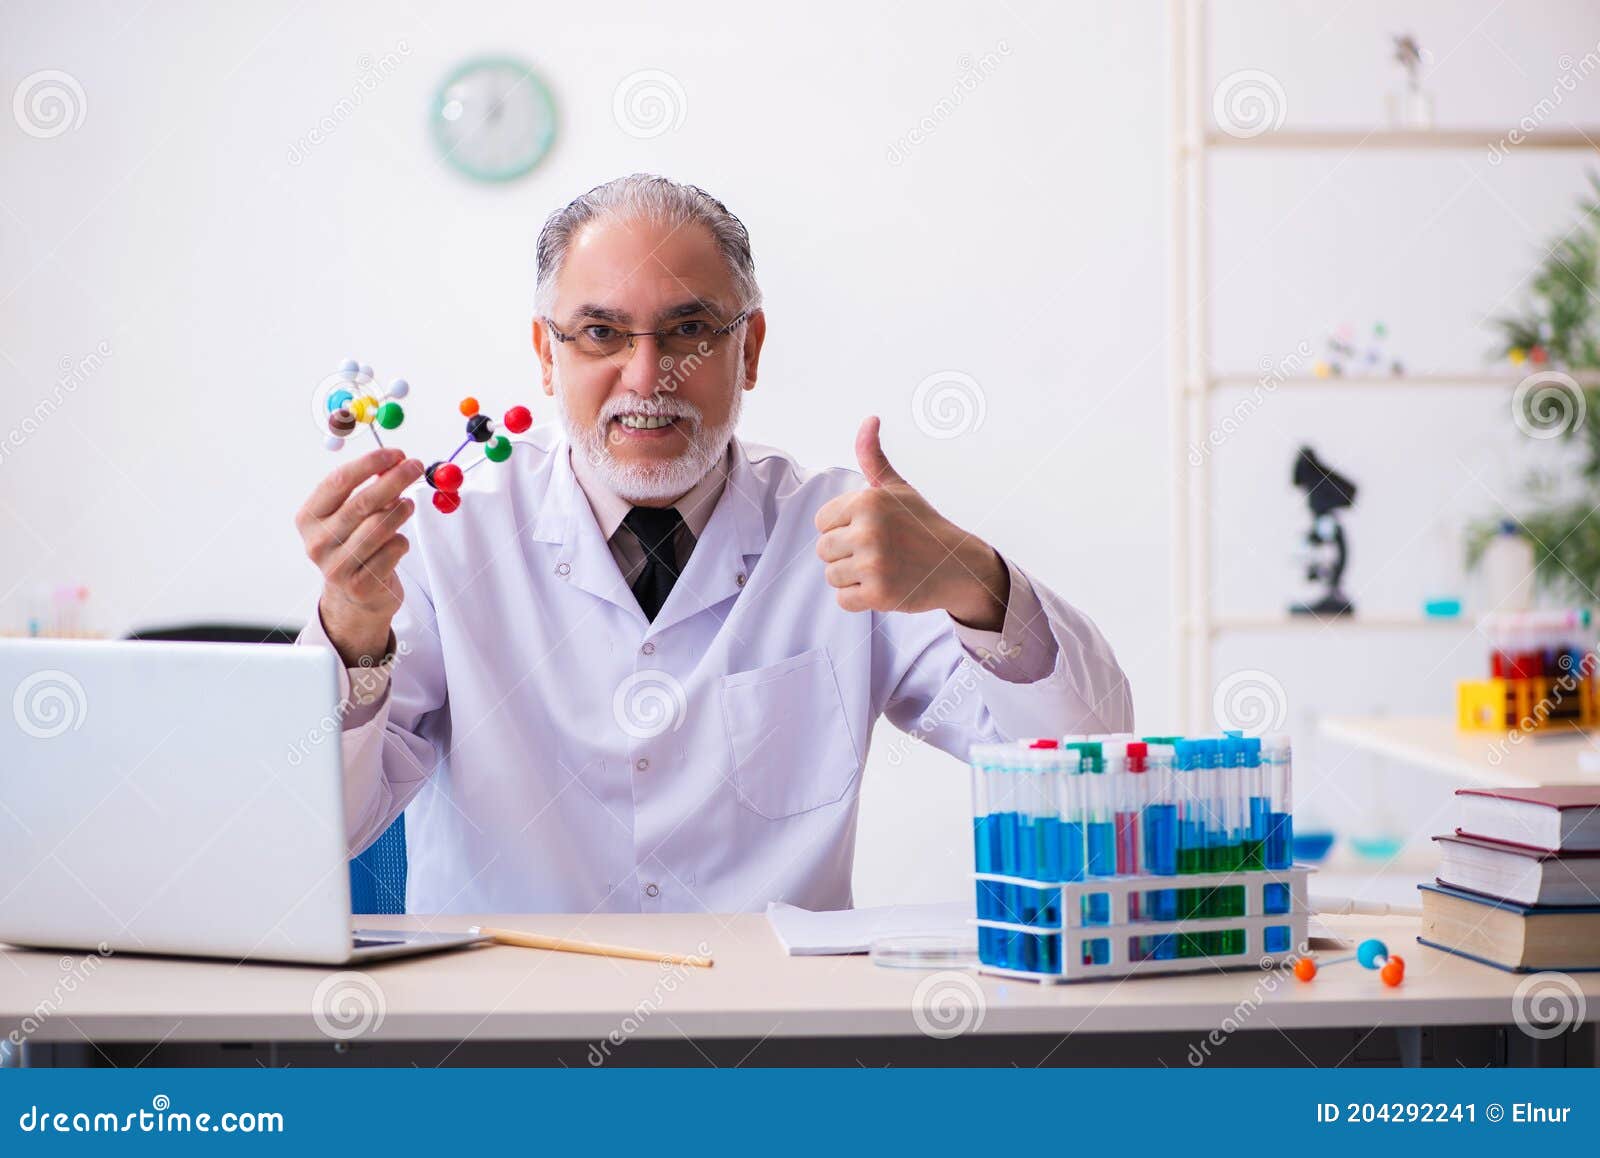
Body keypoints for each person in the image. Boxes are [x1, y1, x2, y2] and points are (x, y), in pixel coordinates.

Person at [294, 174, 1132, 914]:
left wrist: (970, 578)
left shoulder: (844, 530)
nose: (646, 373)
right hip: (507, 1039)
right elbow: (312, 831)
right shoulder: (447, 535)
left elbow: (1085, 773)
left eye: (689, 328)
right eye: (600, 333)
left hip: (771, 1042)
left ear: (750, 347)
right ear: (546, 356)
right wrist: (351, 633)